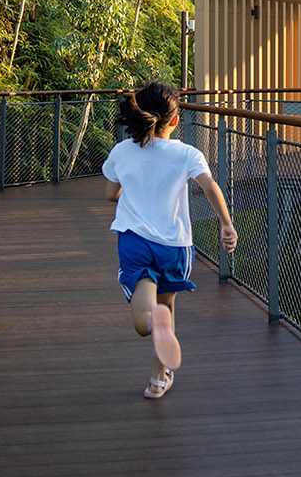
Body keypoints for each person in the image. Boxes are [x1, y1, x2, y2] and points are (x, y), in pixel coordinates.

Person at [102, 82, 238, 399]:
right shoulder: (187, 153)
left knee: (144, 314)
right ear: (175, 121)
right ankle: (158, 378)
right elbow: (209, 186)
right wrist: (227, 224)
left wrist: (129, 185)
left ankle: (151, 323)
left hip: (135, 242)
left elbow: (110, 194)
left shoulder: (122, 150)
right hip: (175, 246)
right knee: (167, 305)